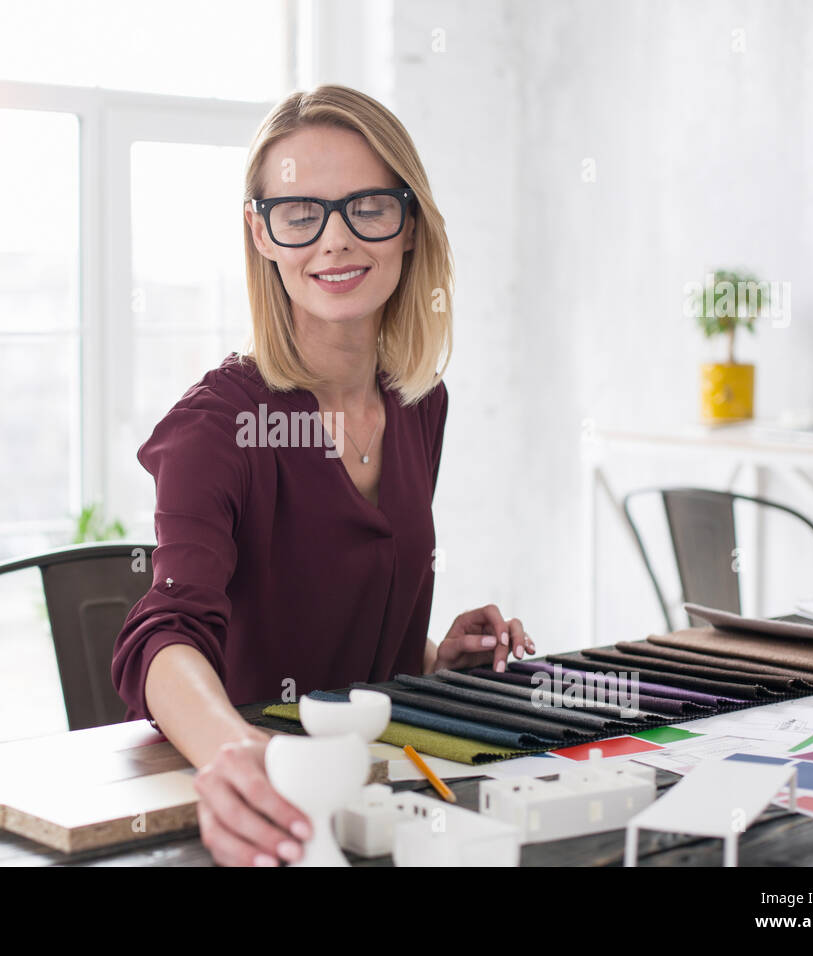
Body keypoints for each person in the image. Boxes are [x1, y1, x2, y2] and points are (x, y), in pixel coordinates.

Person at [110, 84, 534, 867]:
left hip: (373, 802)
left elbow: (343, 646)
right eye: (300, 213)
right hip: (257, 820)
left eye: (367, 206)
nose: (334, 241)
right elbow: (161, 633)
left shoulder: (417, 402)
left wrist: (433, 661)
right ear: (261, 233)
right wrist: (236, 752)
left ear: (408, 222)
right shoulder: (218, 424)